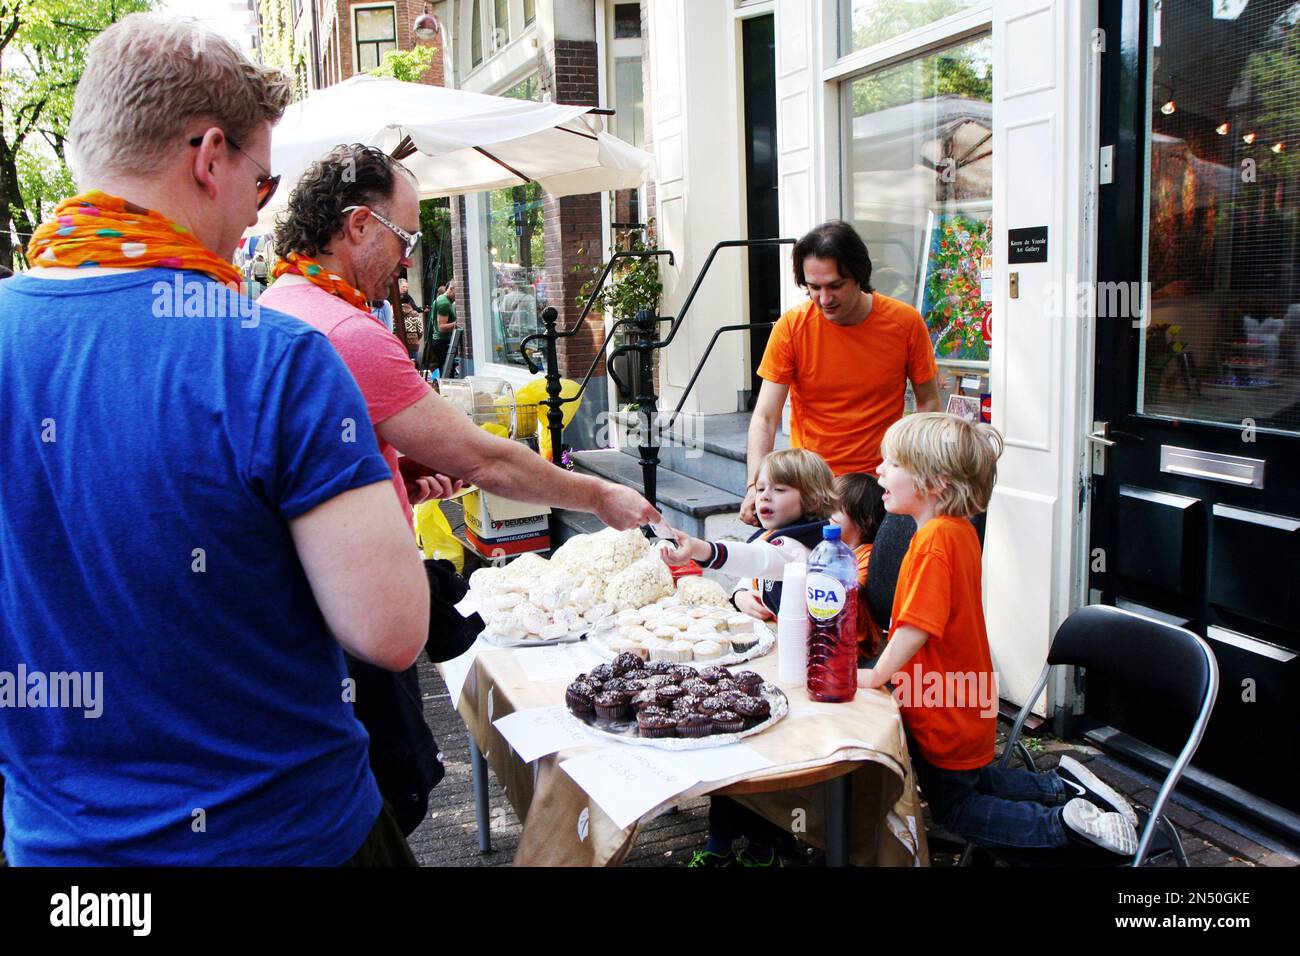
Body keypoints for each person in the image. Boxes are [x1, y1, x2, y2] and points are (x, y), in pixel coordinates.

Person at [0, 15, 429, 866]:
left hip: (66, 860)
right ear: (209, 157)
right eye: (261, 184)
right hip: (287, 839)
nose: (255, 215)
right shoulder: (277, 359)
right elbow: (389, 630)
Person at [860, 414, 1140, 855]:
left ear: (936, 481)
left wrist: (874, 677)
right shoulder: (958, 530)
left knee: (957, 809)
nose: (879, 470)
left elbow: (915, 628)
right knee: (977, 781)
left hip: (941, 705)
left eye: (893, 462)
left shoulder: (935, 541)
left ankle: (1063, 827)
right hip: (960, 699)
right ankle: (1061, 786)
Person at [659, 447, 836, 867]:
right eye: (759, 489)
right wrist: (740, 595)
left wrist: (701, 548)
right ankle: (721, 840)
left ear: (810, 498)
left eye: (779, 489)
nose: (764, 498)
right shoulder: (776, 535)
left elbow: (762, 560)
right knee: (733, 742)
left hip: (802, 674)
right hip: (772, 663)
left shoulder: (807, 544)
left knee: (758, 761)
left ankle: (765, 845)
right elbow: (748, 574)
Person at [741, 220, 943, 526]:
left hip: (881, 486)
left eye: (835, 285)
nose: (824, 299)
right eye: (814, 288)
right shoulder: (792, 328)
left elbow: (928, 405)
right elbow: (765, 418)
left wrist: (915, 473)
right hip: (811, 488)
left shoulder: (904, 323)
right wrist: (754, 488)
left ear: (859, 276)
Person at [830, 473, 887, 659]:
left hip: (858, 649)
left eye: (835, 509)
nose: (827, 515)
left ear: (865, 520)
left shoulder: (868, 554)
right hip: (832, 640)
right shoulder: (829, 551)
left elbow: (851, 589)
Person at [427, 283, 457, 374]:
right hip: (443, 342)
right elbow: (441, 328)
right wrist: (458, 323)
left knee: (445, 371)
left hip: (441, 342)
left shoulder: (443, 300)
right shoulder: (444, 303)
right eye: (457, 292)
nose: (458, 295)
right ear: (451, 289)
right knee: (447, 372)